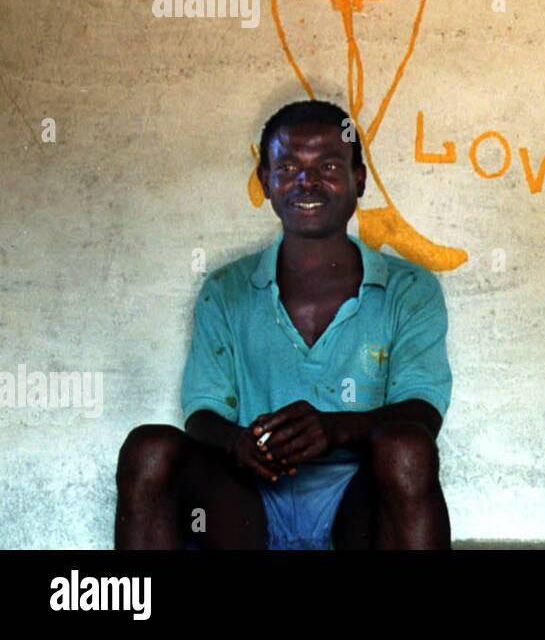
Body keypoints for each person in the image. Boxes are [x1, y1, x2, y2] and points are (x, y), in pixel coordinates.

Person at [115, 100, 453, 549]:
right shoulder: (227, 290)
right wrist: (239, 444)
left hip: (357, 507)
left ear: (359, 180)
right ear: (266, 182)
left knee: (407, 449)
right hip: (245, 504)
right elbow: (202, 413)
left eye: (329, 165)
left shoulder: (407, 289)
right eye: (288, 166)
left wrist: (336, 429)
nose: (306, 181)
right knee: (148, 449)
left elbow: (422, 414)